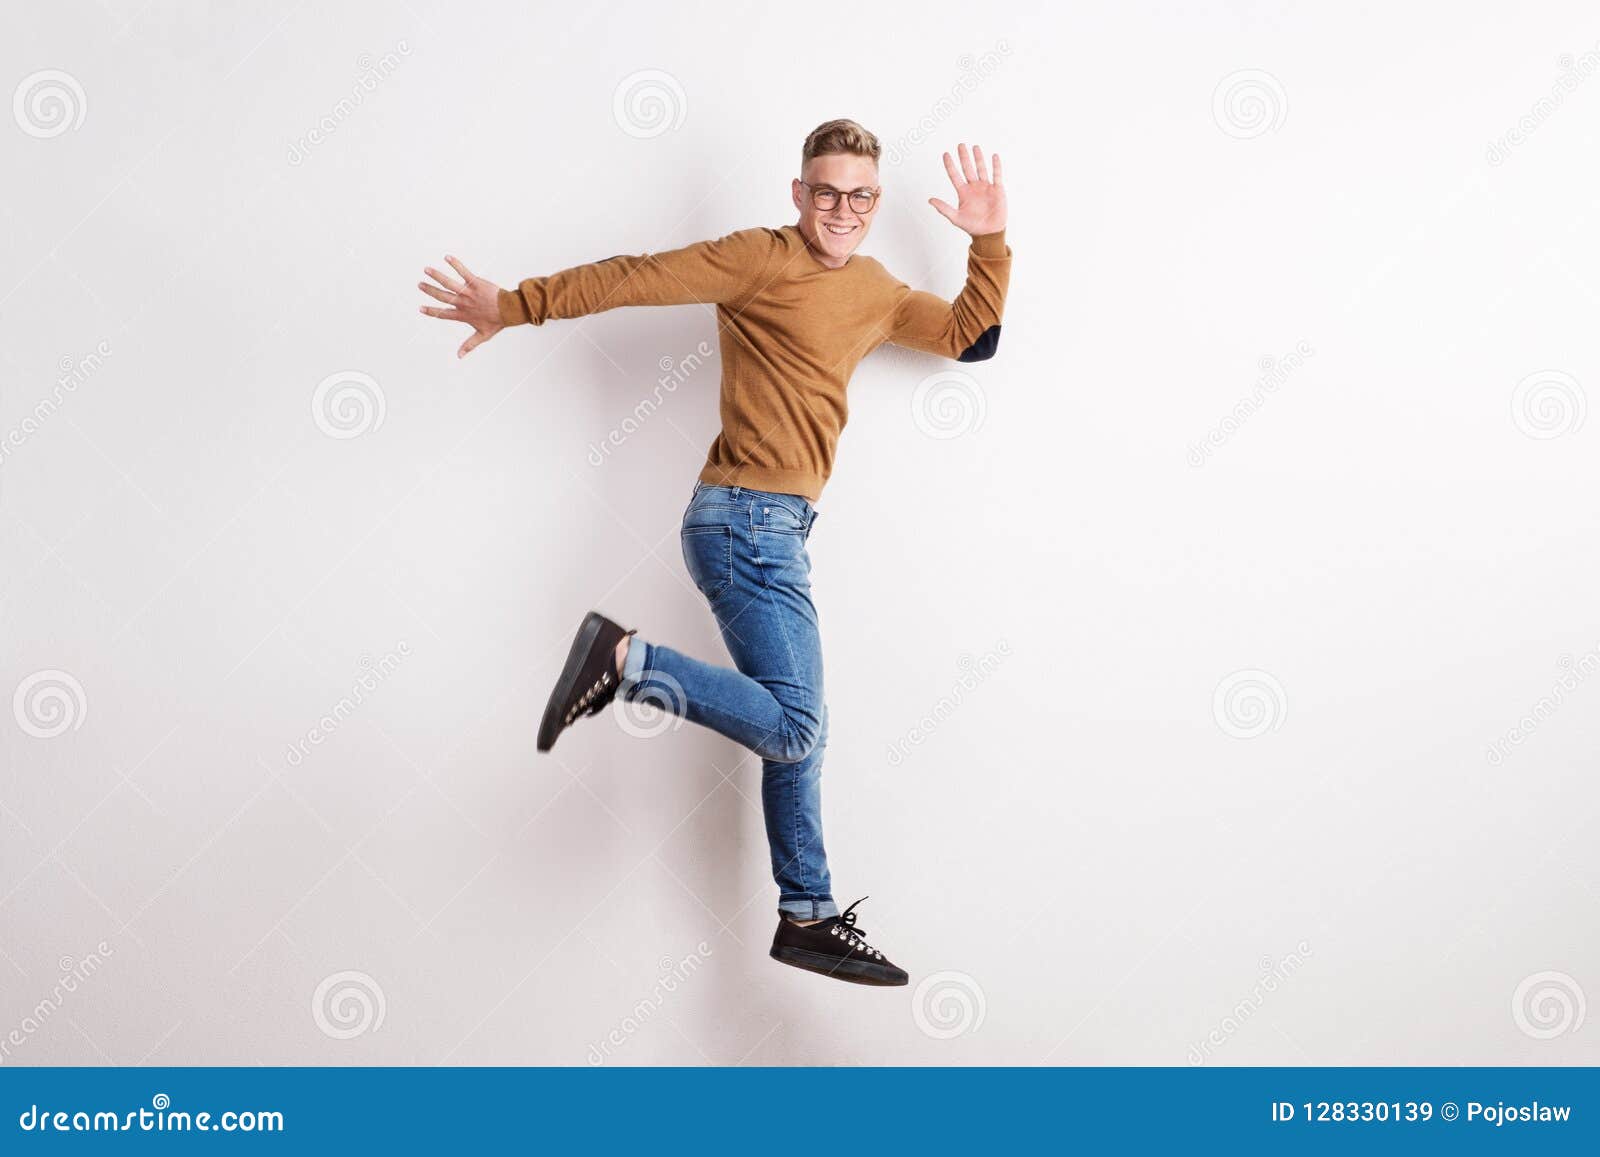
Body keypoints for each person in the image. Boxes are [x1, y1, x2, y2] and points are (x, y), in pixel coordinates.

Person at [418, 119, 1011, 986]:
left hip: (778, 529)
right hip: (742, 522)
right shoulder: (759, 257)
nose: (840, 210)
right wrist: (514, 304)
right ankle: (626, 660)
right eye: (825, 192)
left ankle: (807, 914)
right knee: (799, 724)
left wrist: (989, 240)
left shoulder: (876, 289)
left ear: (875, 202)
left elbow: (971, 336)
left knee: (795, 729)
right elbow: (638, 276)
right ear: (799, 193)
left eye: (858, 196)